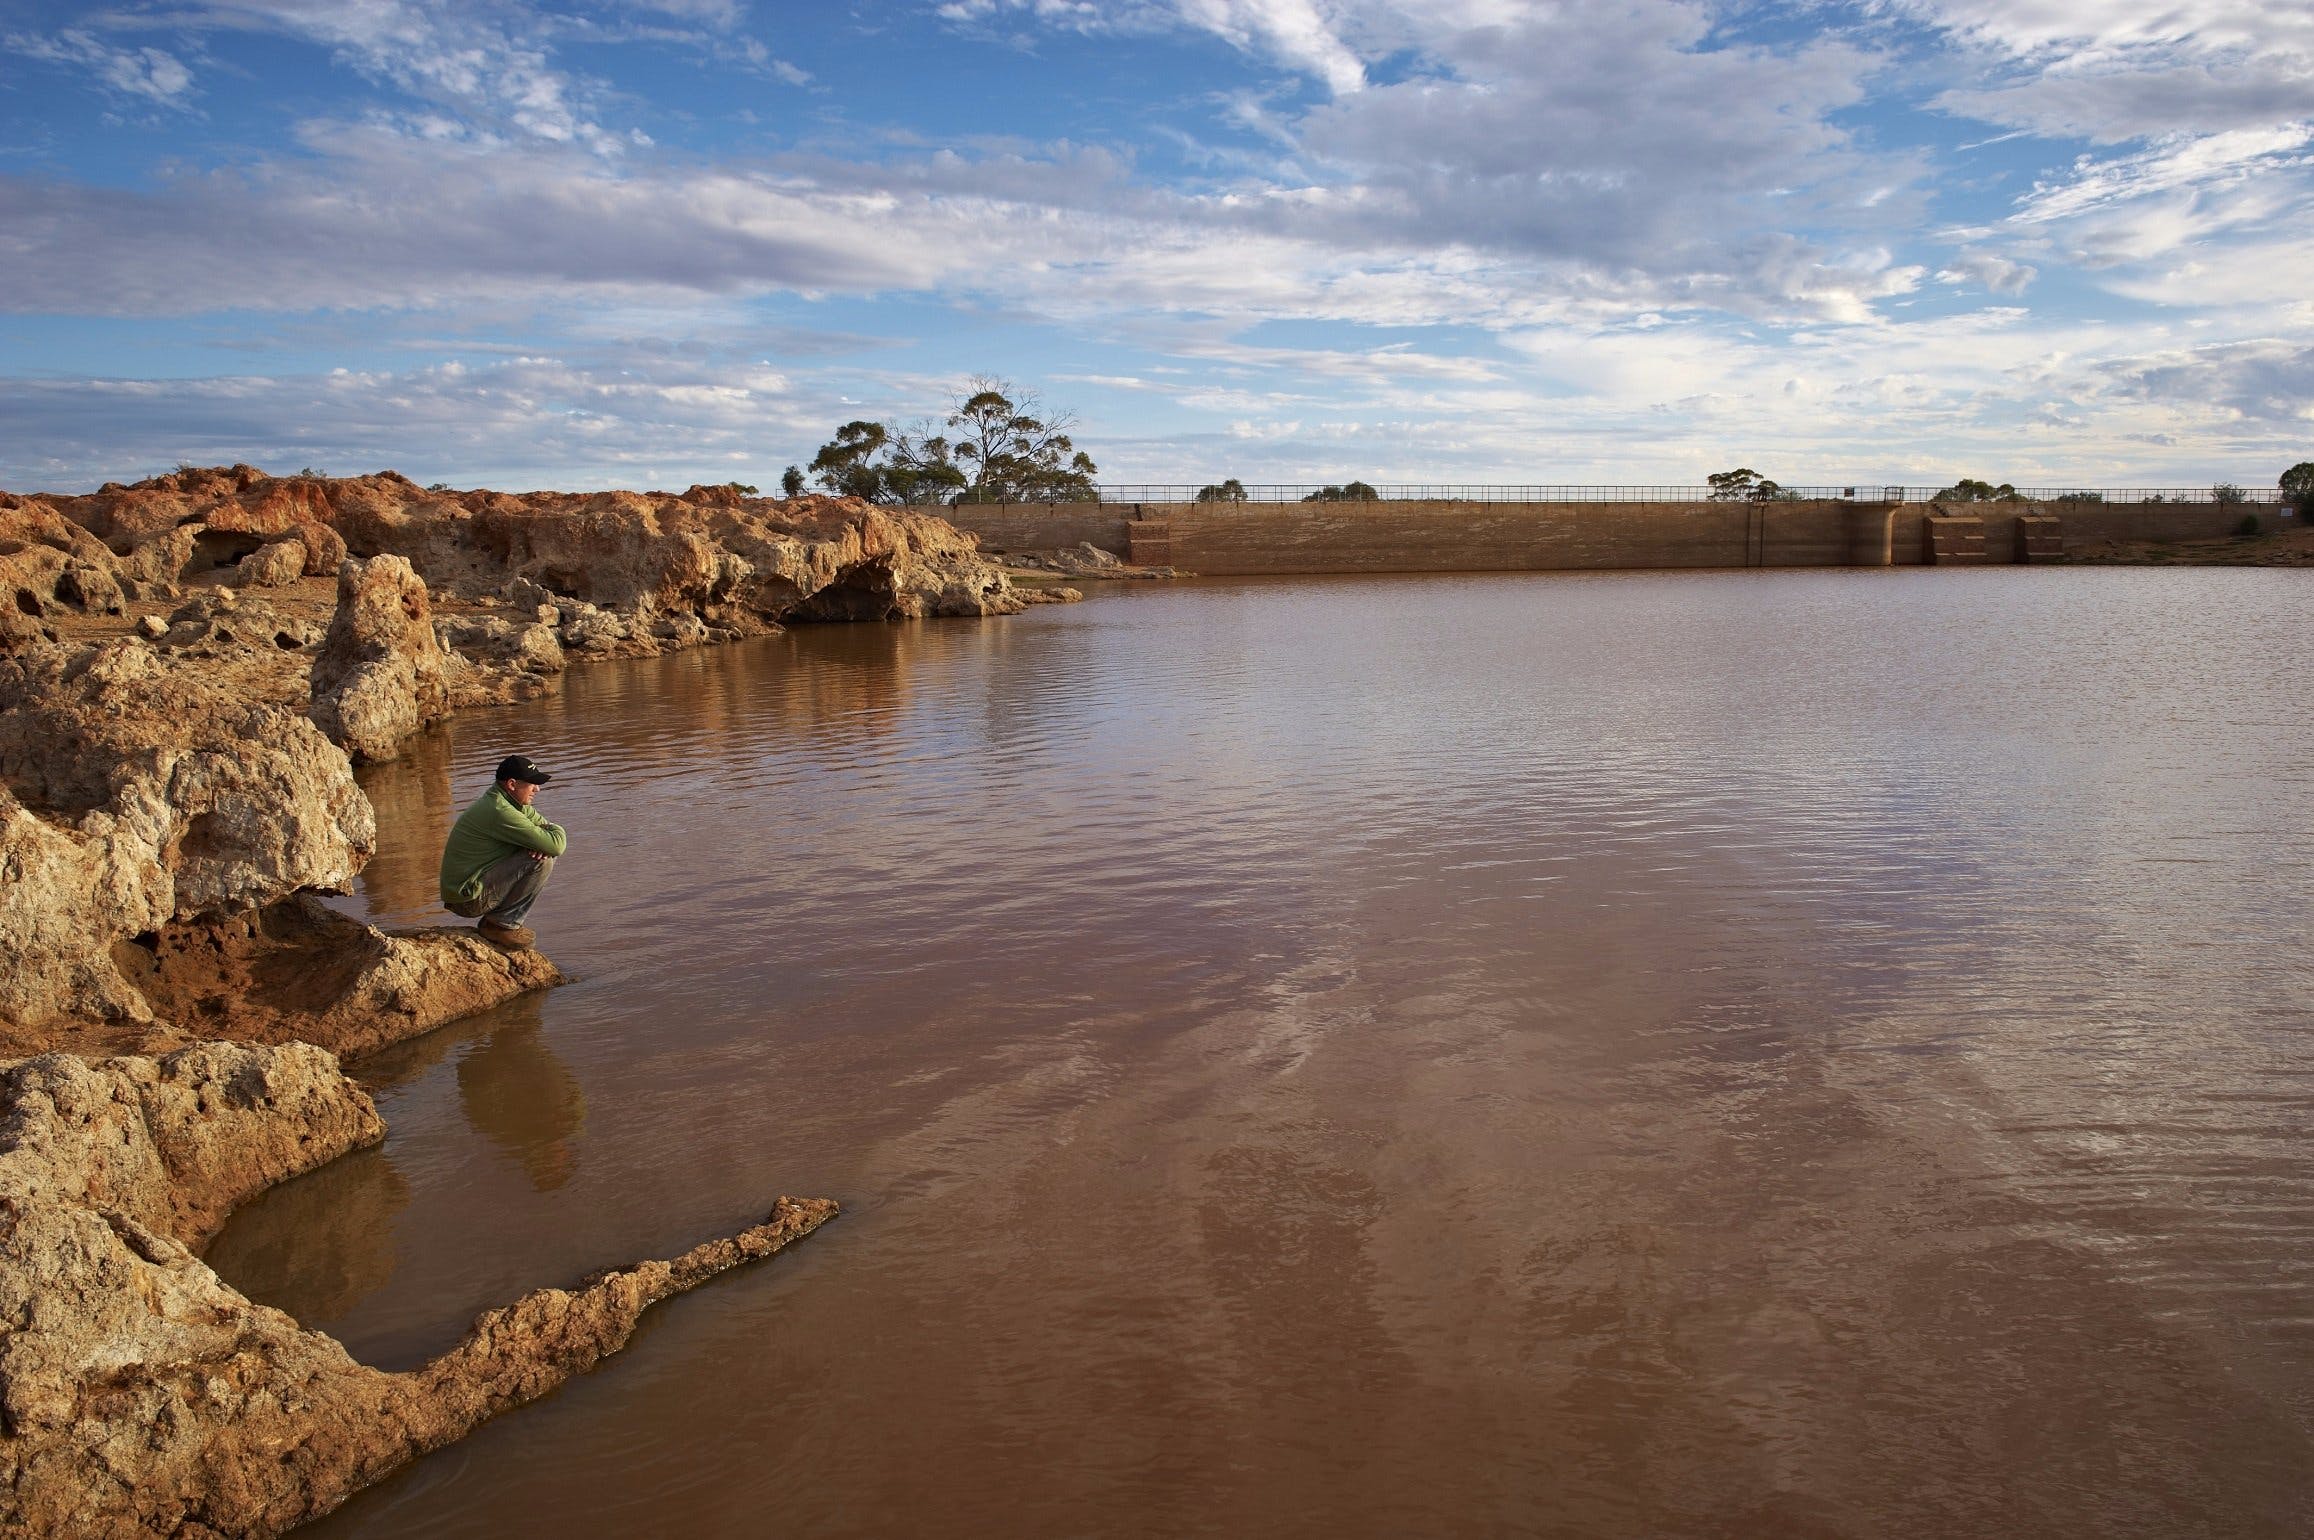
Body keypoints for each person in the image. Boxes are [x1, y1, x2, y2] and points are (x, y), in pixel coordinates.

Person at [439, 754, 567, 950]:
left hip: (470, 887)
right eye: (532, 784)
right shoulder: (500, 810)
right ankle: (501, 925)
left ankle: (497, 922)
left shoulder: (512, 803)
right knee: (542, 860)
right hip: (467, 897)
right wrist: (547, 836)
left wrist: (543, 838)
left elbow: (548, 834)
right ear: (512, 784)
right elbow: (555, 844)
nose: (537, 789)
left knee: (540, 849)